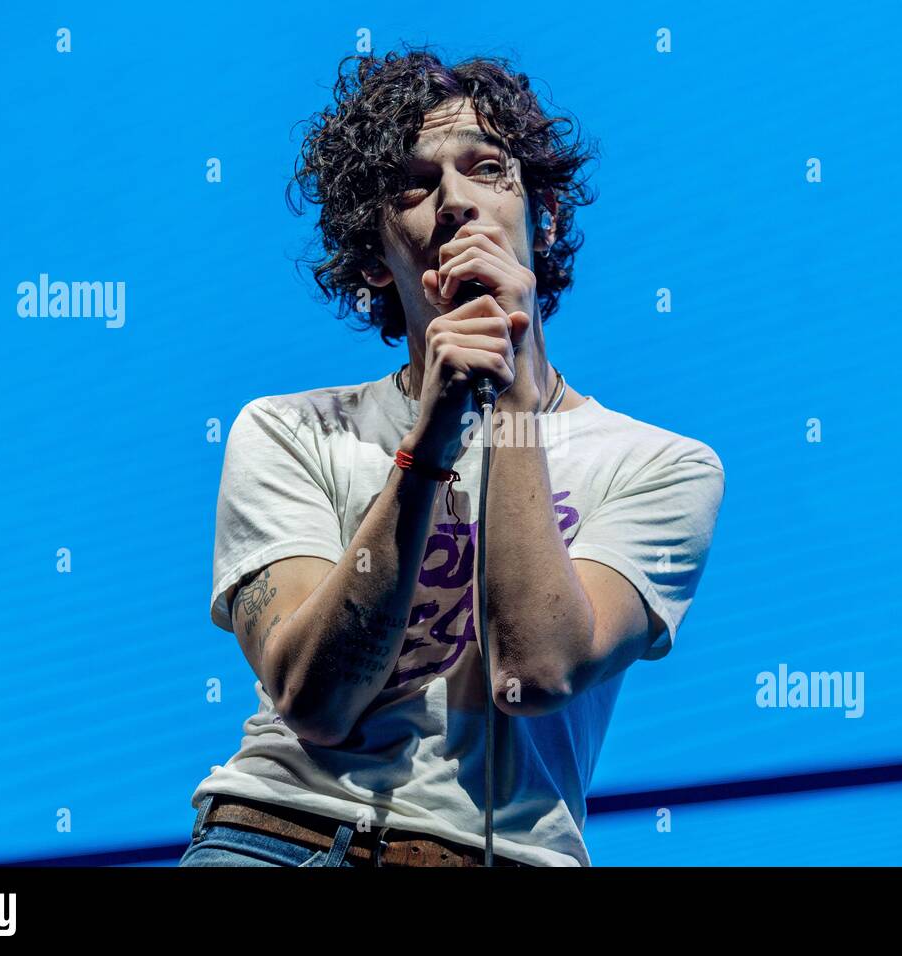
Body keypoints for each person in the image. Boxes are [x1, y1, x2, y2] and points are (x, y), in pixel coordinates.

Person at [179, 46, 725, 868]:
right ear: (374, 255)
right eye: (414, 183)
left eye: (488, 169)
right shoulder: (291, 431)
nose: (456, 202)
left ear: (542, 220)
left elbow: (535, 672)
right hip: (275, 837)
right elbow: (315, 702)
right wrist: (428, 442)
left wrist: (512, 402)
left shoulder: (663, 466)